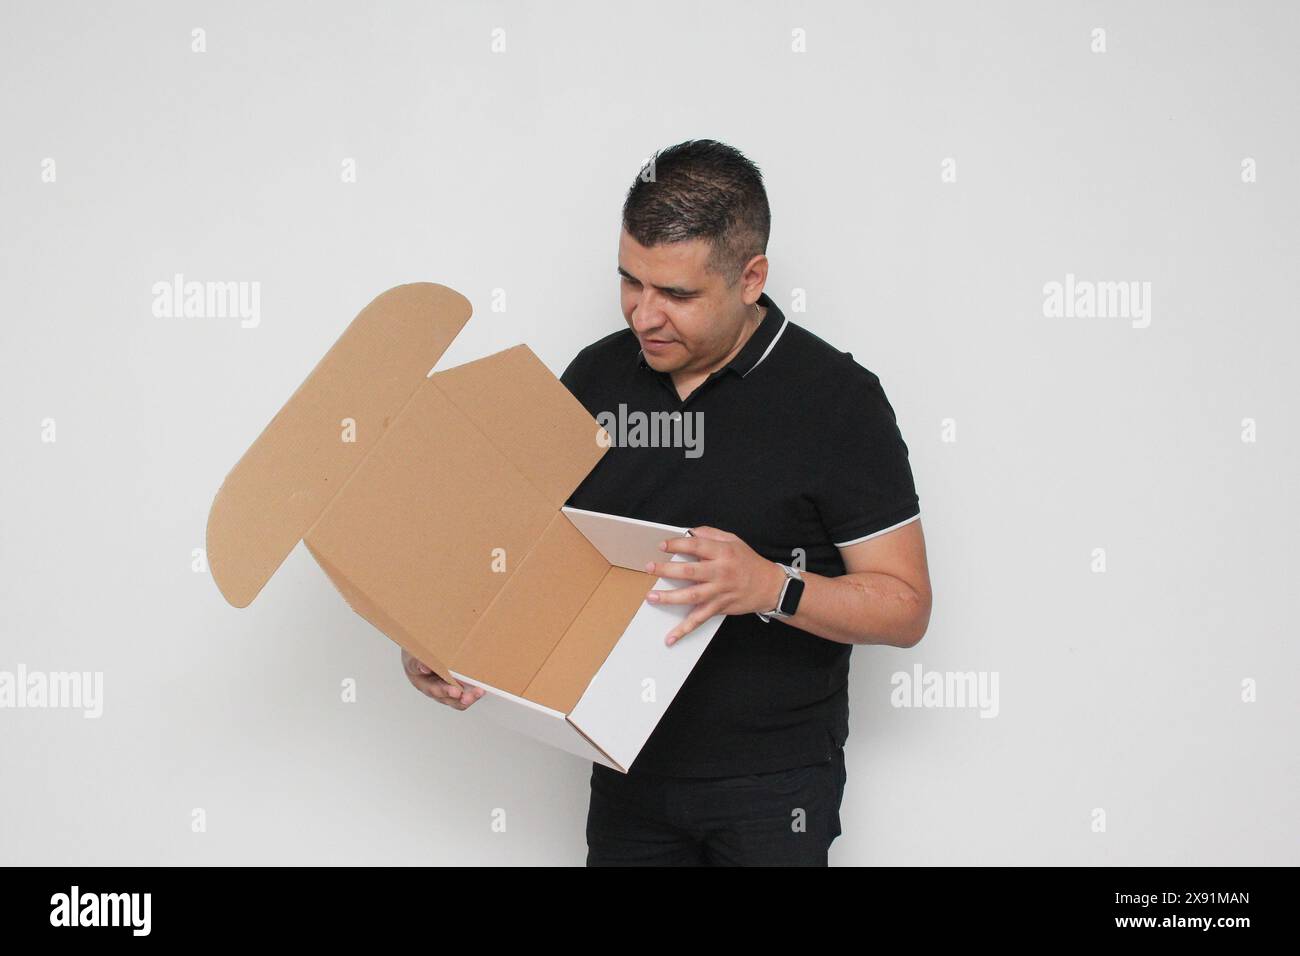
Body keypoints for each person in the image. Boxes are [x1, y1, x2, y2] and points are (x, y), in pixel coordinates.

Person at [404, 138, 932, 866]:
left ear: (751, 278)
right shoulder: (595, 376)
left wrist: (769, 585)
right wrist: (444, 638)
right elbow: (516, 550)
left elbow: (906, 608)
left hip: (774, 787)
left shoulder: (838, 401)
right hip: (625, 769)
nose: (643, 317)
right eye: (630, 282)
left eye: (677, 295)